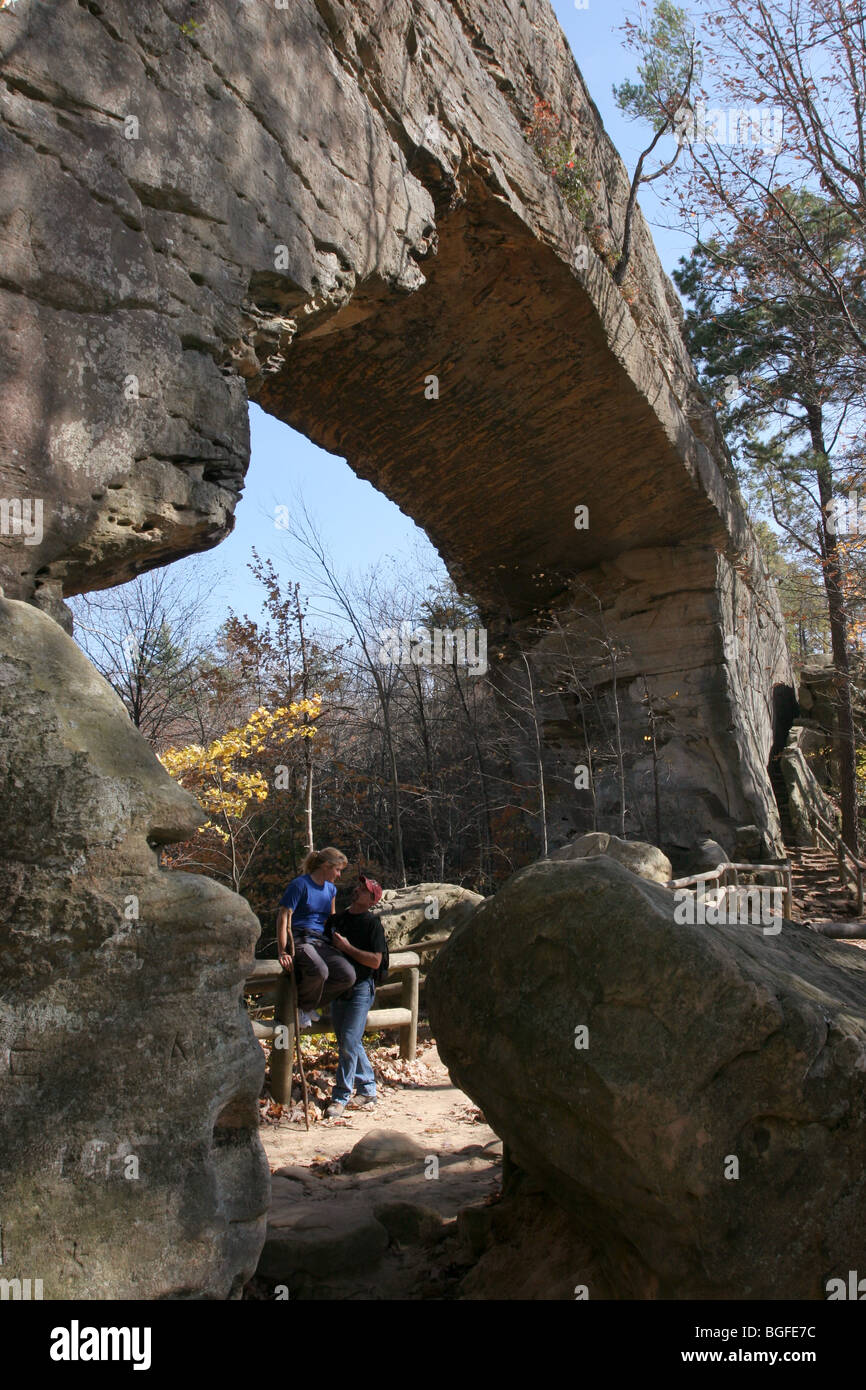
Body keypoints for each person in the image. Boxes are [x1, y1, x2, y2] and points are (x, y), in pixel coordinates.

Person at [324, 875, 388, 1118]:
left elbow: (375, 961)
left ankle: (340, 1097)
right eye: (359, 887)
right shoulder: (338, 920)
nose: (358, 890)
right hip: (338, 989)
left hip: (361, 988)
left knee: (349, 1041)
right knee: (348, 1041)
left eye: (365, 890)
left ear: (372, 900)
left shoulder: (372, 925)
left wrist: (347, 948)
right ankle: (368, 1088)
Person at [277, 848, 355, 1023]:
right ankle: (302, 1008)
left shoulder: (331, 890)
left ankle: (306, 1006)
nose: (339, 875)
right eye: (337, 870)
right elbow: (283, 917)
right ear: (326, 866)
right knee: (320, 970)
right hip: (299, 939)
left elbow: (330, 918)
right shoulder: (300, 885)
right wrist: (282, 951)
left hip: (321, 941)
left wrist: (339, 941)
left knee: (347, 974)